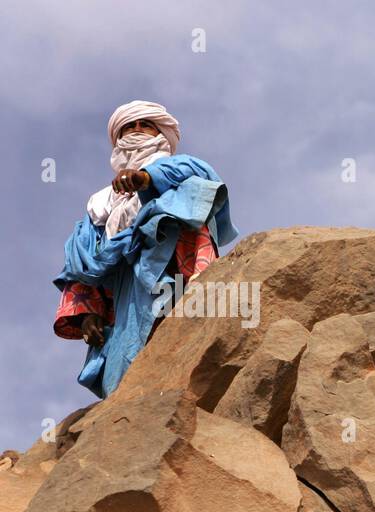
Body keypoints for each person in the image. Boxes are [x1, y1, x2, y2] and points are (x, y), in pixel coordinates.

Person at [53, 101, 238, 397]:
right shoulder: (100, 204)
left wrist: (147, 179)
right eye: (129, 127)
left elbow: (204, 176)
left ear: (160, 134)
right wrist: (88, 314)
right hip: (123, 297)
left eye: (145, 125)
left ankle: (198, 295)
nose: (136, 131)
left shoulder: (181, 169)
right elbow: (80, 262)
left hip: (172, 271)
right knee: (127, 377)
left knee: (187, 196)